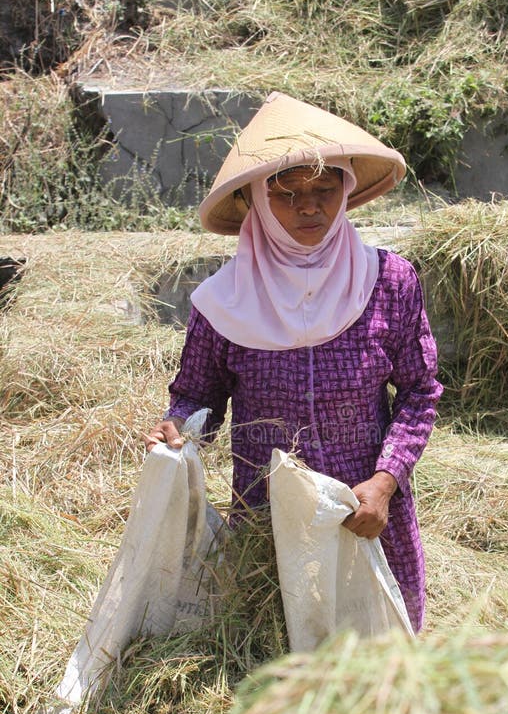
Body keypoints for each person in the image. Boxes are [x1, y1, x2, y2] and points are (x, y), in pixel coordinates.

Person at [143, 92, 442, 632]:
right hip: (269, 516)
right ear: (258, 201)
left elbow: (420, 392)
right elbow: (198, 395)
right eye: (287, 195)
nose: (310, 207)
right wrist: (180, 429)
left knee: (382, 654)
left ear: (345, 193)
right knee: (283, 654)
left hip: (367, 513)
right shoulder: (221, 301)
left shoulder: (390, 282)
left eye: (325, 190)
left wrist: (386, 479)